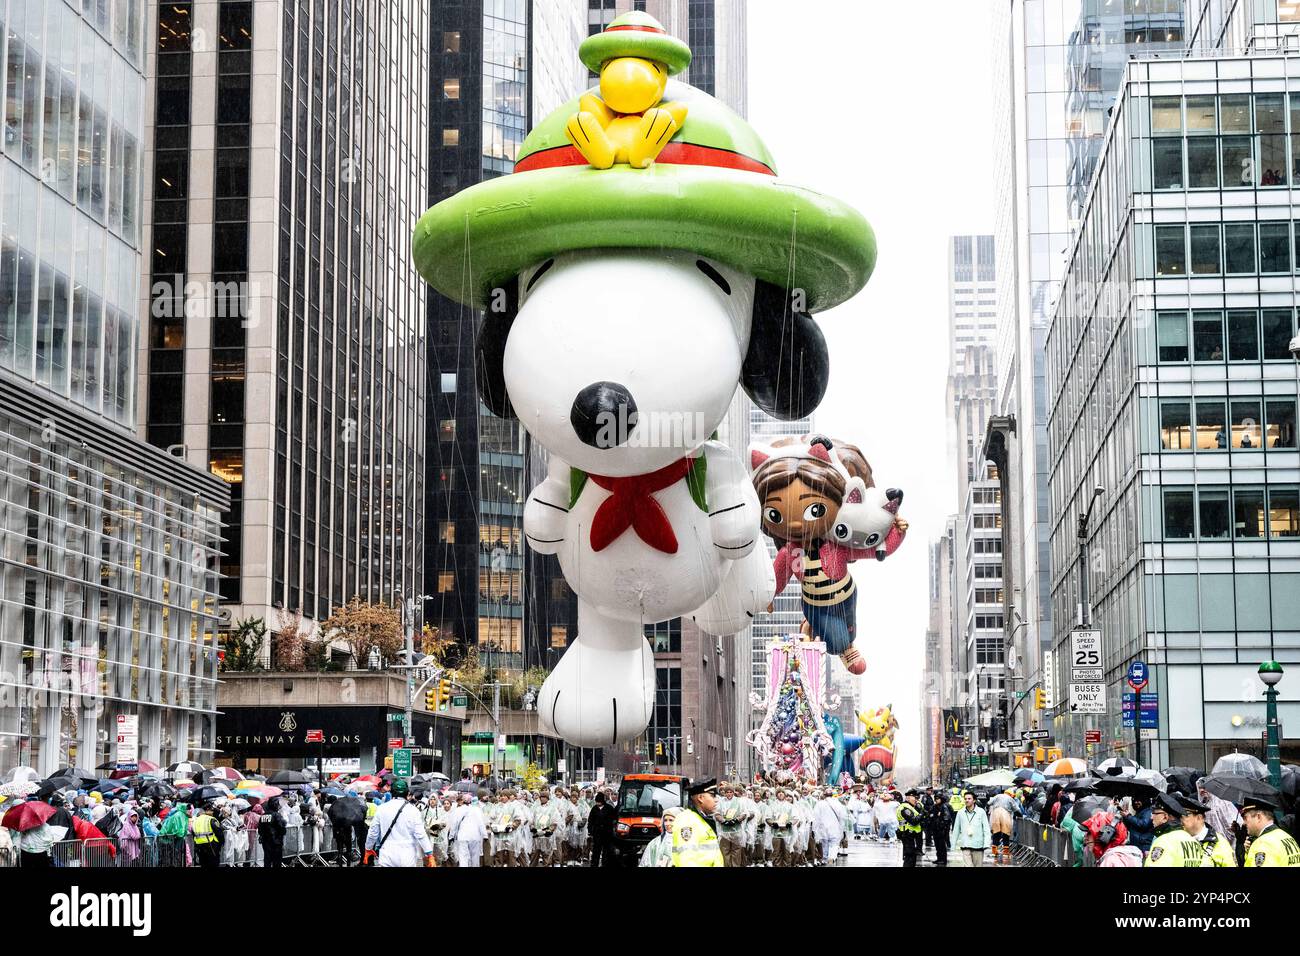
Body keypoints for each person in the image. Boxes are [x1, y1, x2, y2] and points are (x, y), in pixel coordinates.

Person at [364, 777, 434, 867]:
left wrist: (368, 848)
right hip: (407, 855)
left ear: (391, 792)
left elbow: (373, 832)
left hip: (387, 854)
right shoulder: (413, 810)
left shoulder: (381, 809)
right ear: (407, 793)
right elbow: (420, 834)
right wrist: (429, 854)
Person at [673, 778, 724, 866]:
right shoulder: (688, 820)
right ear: (700, 798)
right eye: (712, 796)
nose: (716, 800)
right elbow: (687, 860)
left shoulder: (700, 819)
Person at [1146, 793, 1205, 867]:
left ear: (1165, 817)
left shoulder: (1164, 841)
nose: (1151, 817)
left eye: (1154, 813)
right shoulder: (1194, 842)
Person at [1240, 796, 1300, 867]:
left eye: (1245, 817)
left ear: (1258, 817)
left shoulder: (1263, 844)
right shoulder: (1287, 837)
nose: (1243, 823)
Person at [1177, 795, 1234, 867]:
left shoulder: (1220, 843)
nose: (1181, 819)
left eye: (1185, 815)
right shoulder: (1177, 839)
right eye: (1179, 816)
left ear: (1199, 817)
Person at [950, 791, 991, 867]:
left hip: (978, 845)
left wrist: (986, 843)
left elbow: (986, 829)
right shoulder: (960, 813)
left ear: (974, 800)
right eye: (965, 799)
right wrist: (953, 845)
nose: (967, 800)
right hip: (965, 844)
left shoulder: (981, 812)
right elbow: (956, 829)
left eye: (969, 798)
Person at [447, 793, 489, 867]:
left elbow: (454, 824)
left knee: (463, 858)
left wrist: (451, 836)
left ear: (462, 801)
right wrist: (485, 835)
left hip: (462, 836)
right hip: (475, 836)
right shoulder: (477, 810)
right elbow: (481, 823)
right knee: (475, 857)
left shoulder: (458, 810)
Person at [587, 791, 617, 867]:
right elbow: (590, 820)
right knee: (596, 850)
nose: (598, 803)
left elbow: (614, 818)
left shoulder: (609, 808)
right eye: (597, 802)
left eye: (599, 802)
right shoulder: (594, 809)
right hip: (597, 833)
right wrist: (590, 830)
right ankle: (594, 864)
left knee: (606, 851)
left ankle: (605, 864)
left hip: (607, 833)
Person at [926, 786, 953, 866]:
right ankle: (939, 858)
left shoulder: (944, 807)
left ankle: (943, 859)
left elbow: (947, 818)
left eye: (938, 798)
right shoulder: (935, 807)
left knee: (942, 845)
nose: (936, 800)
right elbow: (930, 815)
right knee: (937, 845)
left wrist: (942, 827)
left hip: (941, 830)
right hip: (935, 829)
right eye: (936, 798)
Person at [897, 790, 924, 867]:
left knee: (912, 856)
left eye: (916, 798)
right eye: (914, 798)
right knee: (909, 857)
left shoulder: (911, 807)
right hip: (907, 834)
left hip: (910, 835)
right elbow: (914, 821)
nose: (916, 800)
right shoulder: (905, 808)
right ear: (908, 798)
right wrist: (922, 814)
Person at [191, 803, 222, 869]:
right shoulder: (211, 819)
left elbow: (193, 832)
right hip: (211, 844)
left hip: (199, 845)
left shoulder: (195, 820)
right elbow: (219, 833)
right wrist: (220, 844)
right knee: (214, 864)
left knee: (203, 863)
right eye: (212, 810)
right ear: (207, 810)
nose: (213, 812)